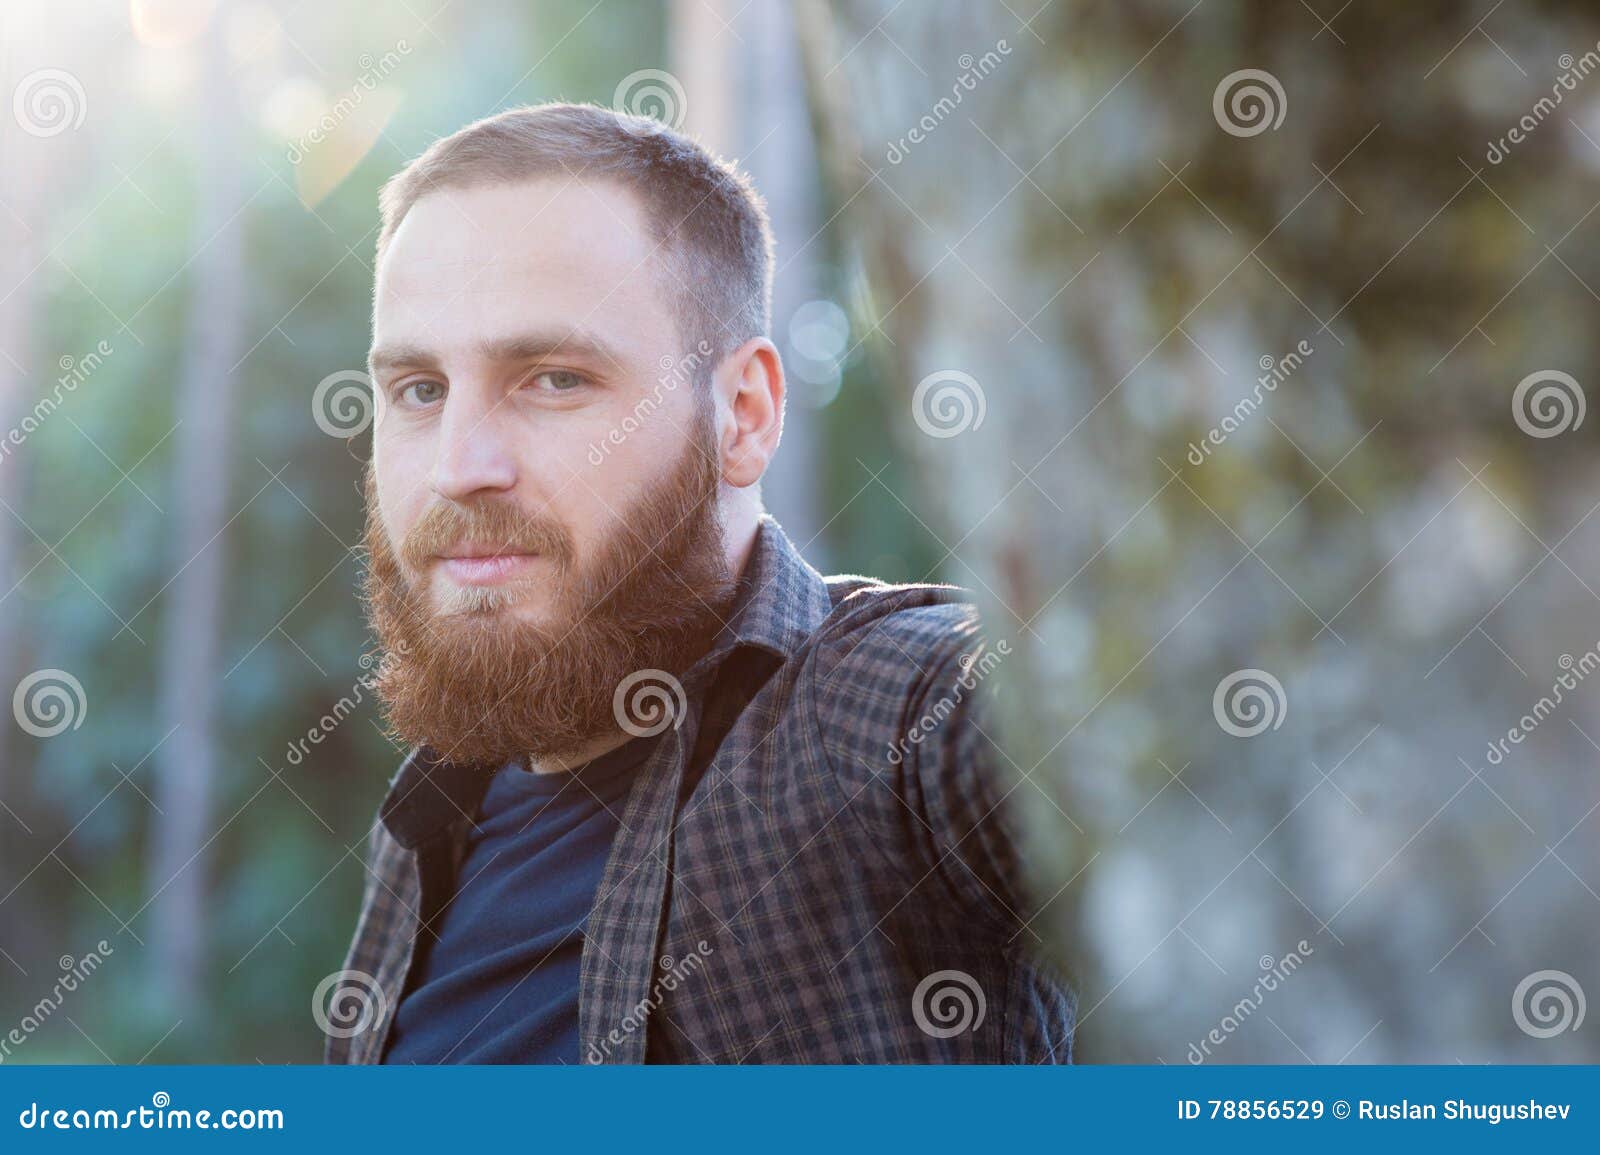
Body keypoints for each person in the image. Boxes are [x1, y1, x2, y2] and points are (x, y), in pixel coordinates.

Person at [326, 102, 1072, 1064]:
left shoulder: (882, 720)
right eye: (420, 390)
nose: (458, 466)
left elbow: (1111, 729)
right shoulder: (429, 818)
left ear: (744, 413)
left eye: (554, 378)